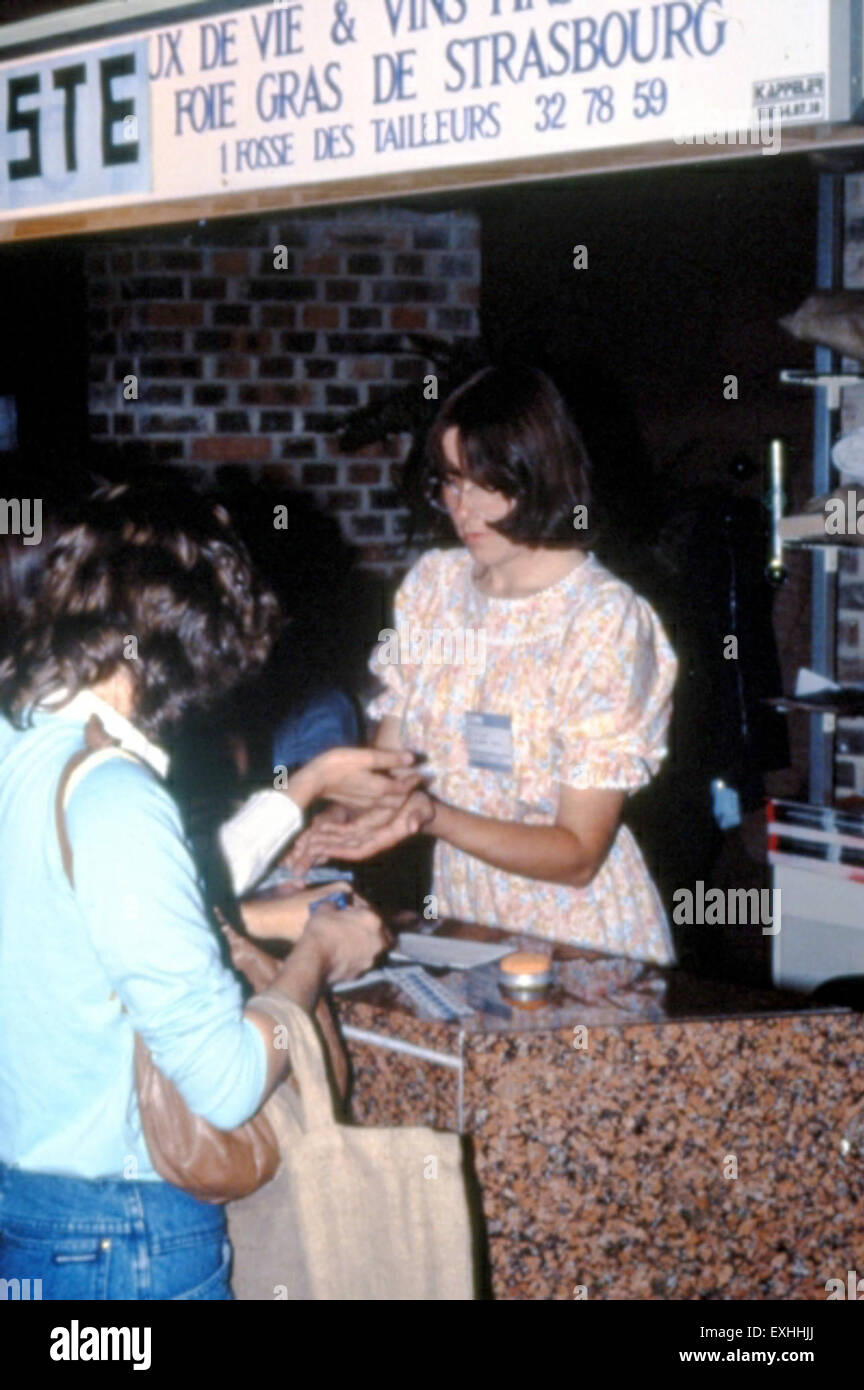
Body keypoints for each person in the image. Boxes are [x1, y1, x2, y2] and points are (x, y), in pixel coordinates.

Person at [0, 480, 414, 1301]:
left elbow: (113, 905)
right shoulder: (116, 793)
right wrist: (317, 957)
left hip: (35, 1215)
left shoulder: (23, 751)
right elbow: (224, 1081)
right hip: (126, 1240)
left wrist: (301, 792)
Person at [290, 365, 679, 963]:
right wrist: (334, 823)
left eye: (485, 484)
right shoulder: (434, 587)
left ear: (543, 478)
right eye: (449, 481)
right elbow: (392, 769)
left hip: (581, 939)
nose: (461, 508)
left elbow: (577, 855)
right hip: (467, 923)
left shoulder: (603, 619)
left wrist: (432, 818)